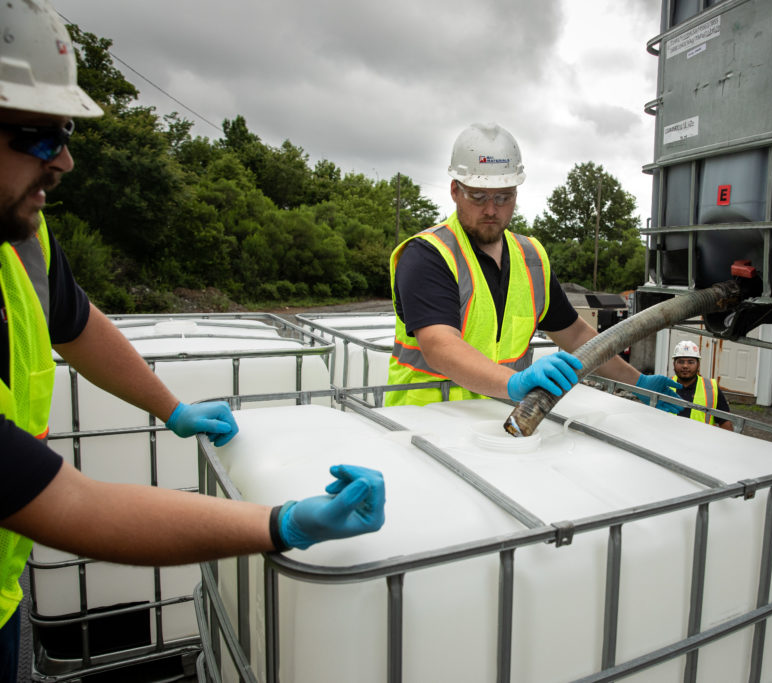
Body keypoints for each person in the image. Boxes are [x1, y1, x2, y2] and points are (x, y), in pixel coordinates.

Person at [0, 3, 385, 680]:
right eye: (36, 134)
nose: (63, 159)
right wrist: (281, 523)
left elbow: (77, 323)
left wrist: (169, 405)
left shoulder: (19, 243)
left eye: (66, 132)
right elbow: (72, 506)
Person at [388, 122, 679, 407]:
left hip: (499, 427)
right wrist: (513, 383)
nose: (491, 209)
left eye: (503, 196)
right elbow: (440, 346)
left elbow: (576, 334)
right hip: (423, 425)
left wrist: (636, 382)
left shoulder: (531, 259)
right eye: (478, 196)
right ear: (455, 190)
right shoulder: (429, 255)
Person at [666, 340, 734, 431]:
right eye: (681, 362)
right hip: (669, 440)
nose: (685, 366)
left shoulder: (711, 388)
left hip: (701, 442)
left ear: (698, 365)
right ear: (674, 364)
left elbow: (725, 421)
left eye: (691, 362)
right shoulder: (665, 385)